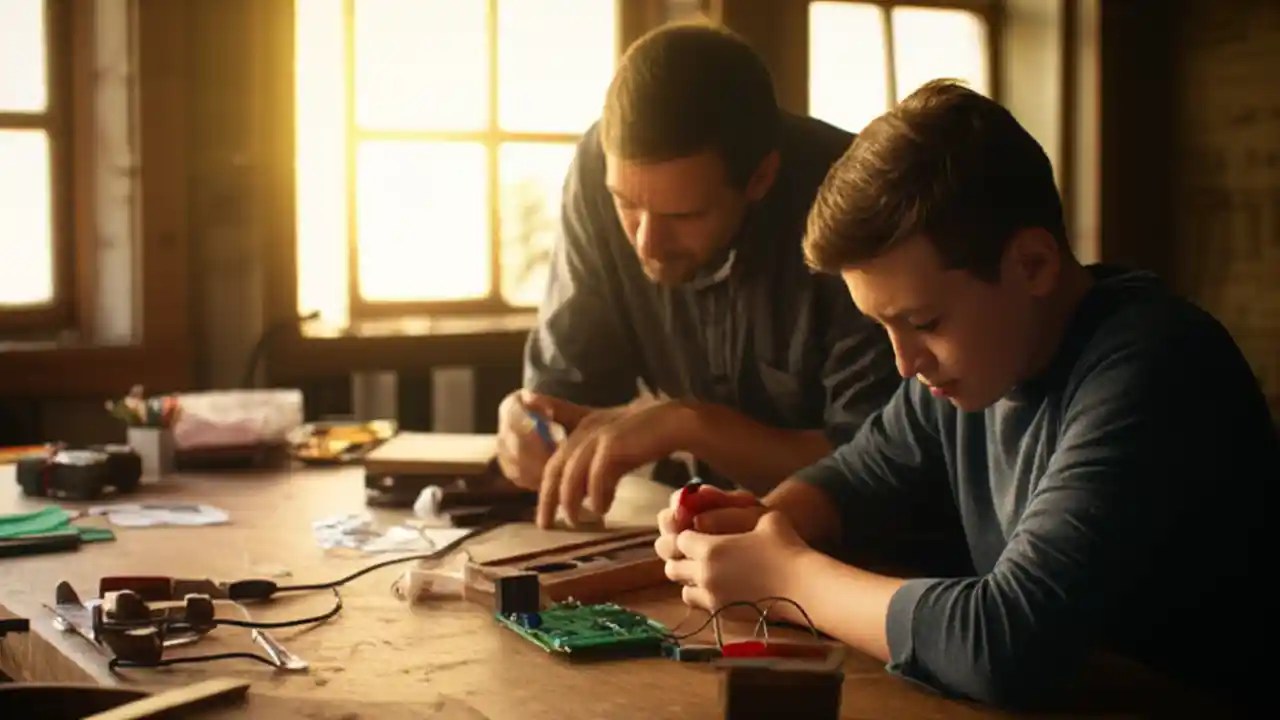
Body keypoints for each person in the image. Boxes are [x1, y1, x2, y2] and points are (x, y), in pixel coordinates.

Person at [655, 79, 1274, 710]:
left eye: (923, 323)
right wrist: (765, 524)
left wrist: (784, 576)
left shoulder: (1155, 370)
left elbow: (1007, 643)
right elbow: (857, 477)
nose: (904, 362)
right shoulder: (975, 364)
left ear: (1032, 265)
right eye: (883, 327)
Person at [495, 22, 900, 529]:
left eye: (683, 216)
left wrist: (692, 425)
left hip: (862, 552)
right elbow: (570, 392)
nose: (646, 243)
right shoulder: (598, 167)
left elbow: (881, 469)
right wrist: (532, 423)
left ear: (761, 178)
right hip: (696, 535)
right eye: (626, 205)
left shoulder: (856, 200)